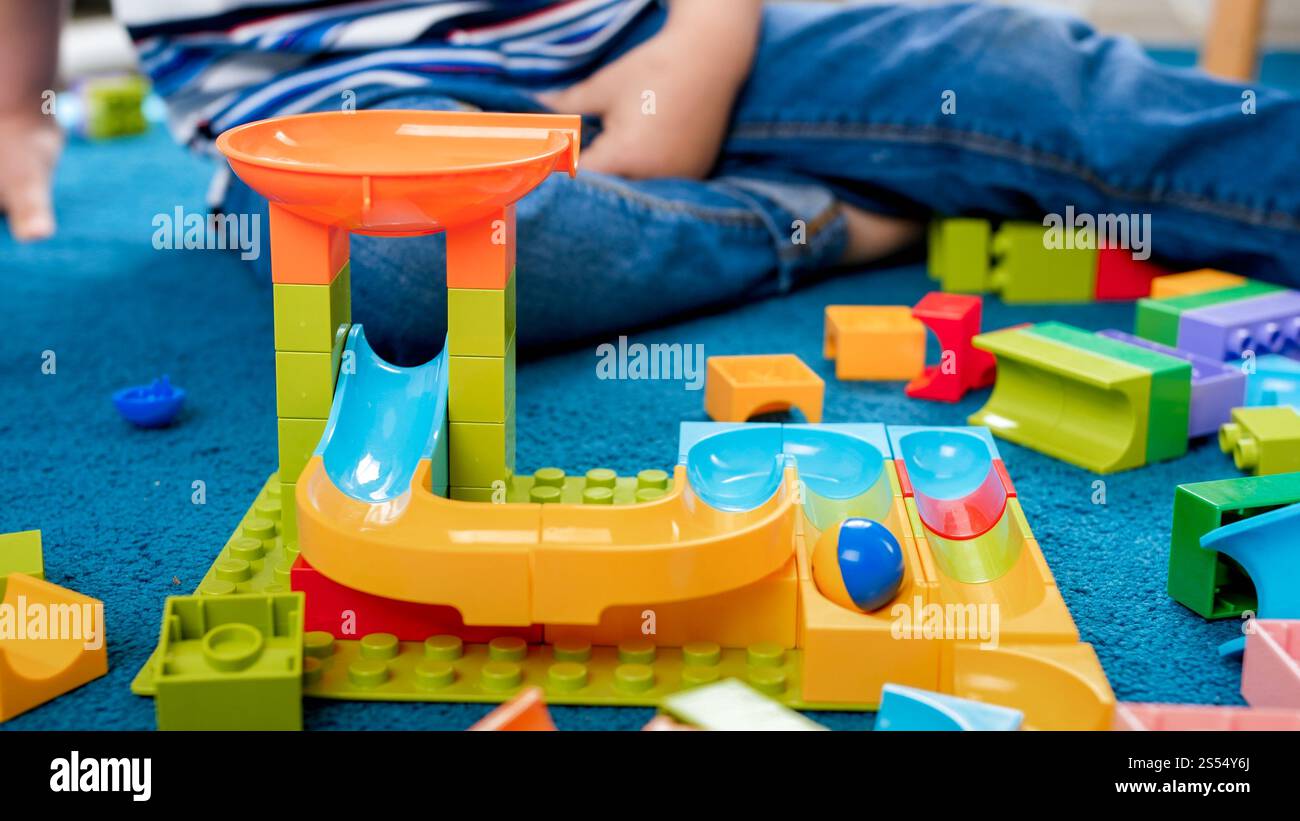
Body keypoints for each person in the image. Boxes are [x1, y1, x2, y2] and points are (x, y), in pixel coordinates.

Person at [3, 1, 1299, 361]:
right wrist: (19, 101)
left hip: (648, 33)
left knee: (1010, 62)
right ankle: (834, 222)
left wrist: (704, 38)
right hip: (334, 121)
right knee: (406, 263)